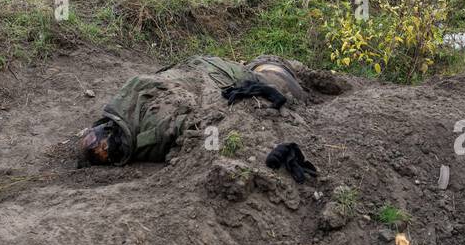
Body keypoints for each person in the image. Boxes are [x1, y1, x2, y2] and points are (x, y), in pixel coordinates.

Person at [76, 55, 302, 167]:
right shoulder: (121, 104)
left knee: (285, 84)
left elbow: (196, 129)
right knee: (260, 71)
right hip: (202, 65)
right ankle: (269, 62)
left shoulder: (155, 128)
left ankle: (279, 65)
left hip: (222, 77)